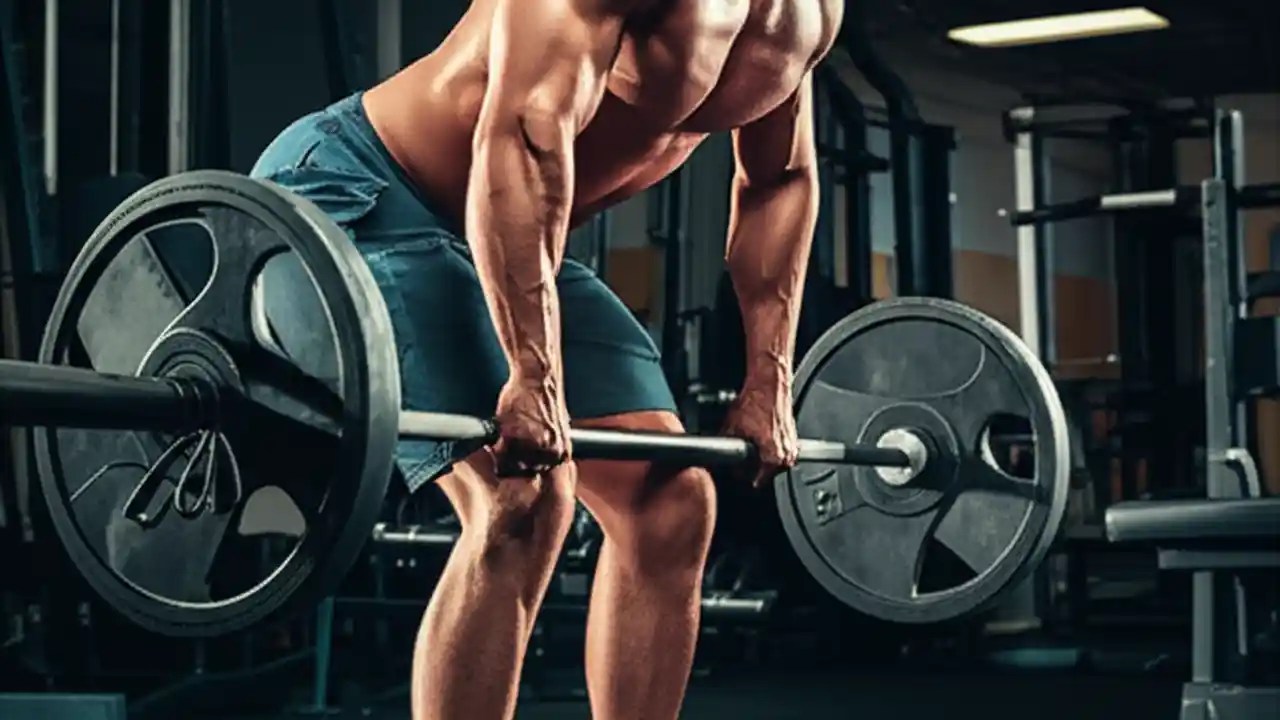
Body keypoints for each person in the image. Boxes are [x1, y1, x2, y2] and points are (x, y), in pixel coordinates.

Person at [251, 1, 843, 718]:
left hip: (513, 232)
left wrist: (768, 378)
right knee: (523, 495)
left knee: (674, 504)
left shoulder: (810, 12)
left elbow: (779, 180)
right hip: (365, 193)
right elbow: (525, 138)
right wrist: (532, 375)